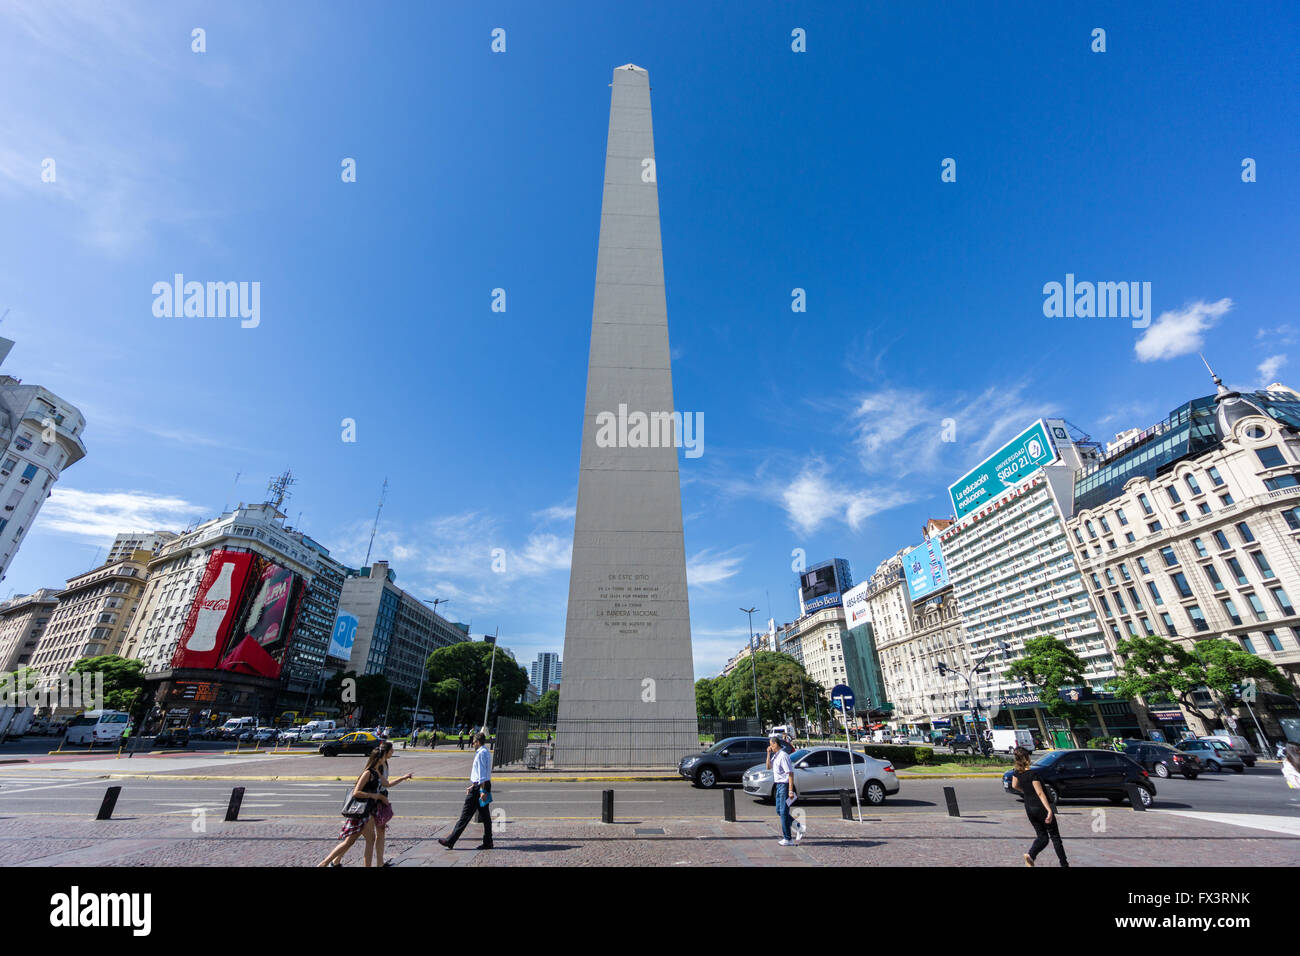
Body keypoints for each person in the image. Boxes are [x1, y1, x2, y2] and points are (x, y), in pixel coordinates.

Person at [318, 745, 391, 867]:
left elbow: (387, 784)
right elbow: (356, 792)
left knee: (351, 841)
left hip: (368, 811)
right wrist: (376, 796)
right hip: (361, 812)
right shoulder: (368, 773)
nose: (386, 758)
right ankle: (325, 863)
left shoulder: (377, 773)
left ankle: (325, 863)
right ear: (379, 758)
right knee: (368, 840)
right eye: (384, 756)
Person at [1011, 746, 1067, 867]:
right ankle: (1064, 864)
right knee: (1055, 837)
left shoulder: (1017, 772)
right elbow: (1040, 793)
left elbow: (1014, 785)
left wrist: (1026, 791)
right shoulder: (1032, 774)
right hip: (1040, 807)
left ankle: (1030, 856)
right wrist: (1049, 810)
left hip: (1029, 808)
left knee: (1042, 837)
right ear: (1027, 757)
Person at [438, 731, 494, 850]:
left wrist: (481, 790)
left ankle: (450, 840)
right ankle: (488, 841)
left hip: (480, 787)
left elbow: (482, 773)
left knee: (466, 814)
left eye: (473, 742)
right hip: (480, 786)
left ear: (478, 742)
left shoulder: (481, 753)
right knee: (485, 816)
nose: (472, 744)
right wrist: (474, 785)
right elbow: (481, 773)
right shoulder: (485, 751)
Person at [371, 740, 413, 867]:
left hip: (381, 797)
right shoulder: (378, 765)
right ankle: (335, 861)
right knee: (358, 833)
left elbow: (387, 784)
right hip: (375, 799)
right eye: (392, 750)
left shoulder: (385, 763)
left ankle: (380, 863)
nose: (393, 752)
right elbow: (386, 784)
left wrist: (403, 777)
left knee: (381, 831)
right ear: (387, 751)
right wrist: (402, 778)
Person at [766, 733, 796, 846]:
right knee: (779, 810)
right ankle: (797, 826)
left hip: (784, 785)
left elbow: (790, 773)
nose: (770, 747)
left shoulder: (783, 755)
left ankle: (788, 838)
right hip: (778, 785)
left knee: (783, 812)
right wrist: (768, 754)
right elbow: (768, 767)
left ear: (775, 744)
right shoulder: (776, 755)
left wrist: (790, 790)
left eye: (771, 745)